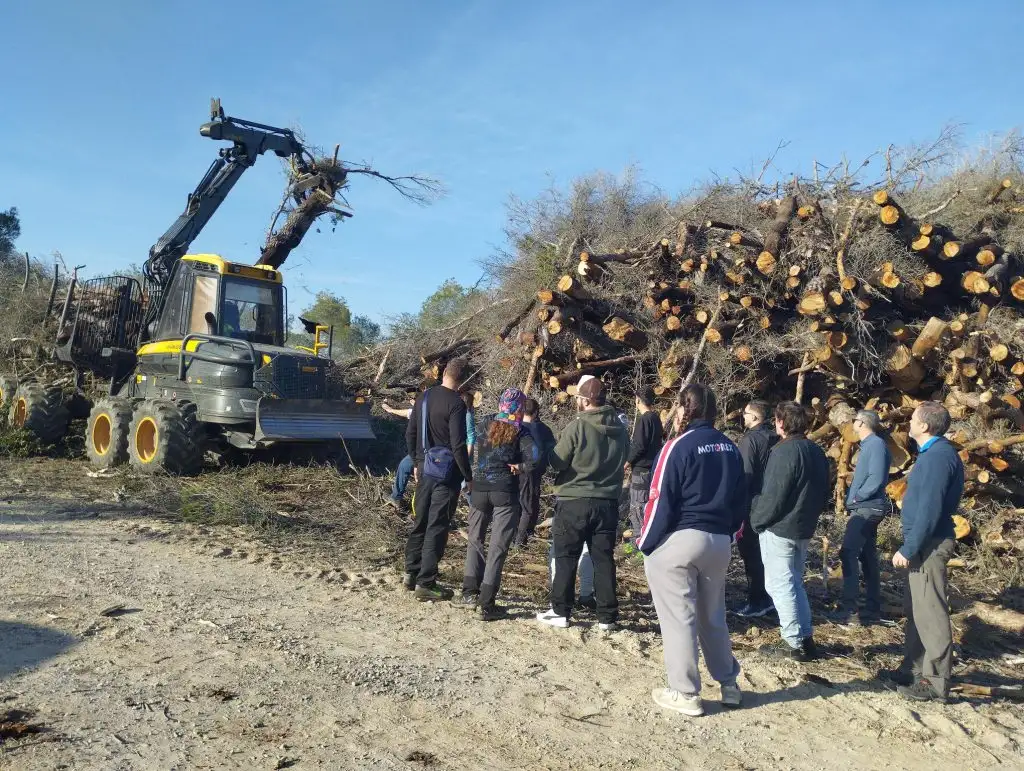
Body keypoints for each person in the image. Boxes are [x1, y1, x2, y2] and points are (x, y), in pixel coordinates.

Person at [638, 384, 746, 717]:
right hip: (719, 541)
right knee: (713, 616)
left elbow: (659, 498)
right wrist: (729, 535)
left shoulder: (676, 446)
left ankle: (685, 692)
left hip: (681, 539)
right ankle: (729, 684)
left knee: (678, 619)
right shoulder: (730, 447)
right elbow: (741, 500)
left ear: (686, 408)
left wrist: (645, 543)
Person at [886, 402, 964, 703]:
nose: (909, 423)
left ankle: (935, 682)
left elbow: (929, 511)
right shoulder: (933, 455)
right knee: (917, 610)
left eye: (913, 419)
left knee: (931, 614)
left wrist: (909, 547)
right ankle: (914, 668)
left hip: (928, 545)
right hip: (923, 544)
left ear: (925, 426)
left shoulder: (937, 459)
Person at [537, 375, 628, 630]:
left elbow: (558, 461)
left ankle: (560, 611)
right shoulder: (620, 429)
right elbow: (626, 457)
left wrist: (548, 450)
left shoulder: (577, 426)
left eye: (578, 397)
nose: (576, 401)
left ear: (586, 400)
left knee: (566, 556)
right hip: (608, 502)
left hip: (574, 499)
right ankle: (607, 616)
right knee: (603, 559)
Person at [750, 401, 829, 662]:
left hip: (781, 528)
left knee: (779, 584)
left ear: (781, 423)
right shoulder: (816, 451)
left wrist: (757, 520)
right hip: (803, 526)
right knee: (794, 582)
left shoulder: (784, 452)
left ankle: (793, 642)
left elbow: (774, 495)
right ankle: (805, 637)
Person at [459, 388, 538, 620]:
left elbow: (469, 441)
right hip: (505, 492)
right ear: (520, 408)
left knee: (475, 539)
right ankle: (486, 603)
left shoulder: (485, 423)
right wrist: (520, 467)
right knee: (497, 547)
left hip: (480, 489)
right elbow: (535, 458)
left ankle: (468, 593)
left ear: (501, 403)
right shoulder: (521, 431)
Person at [404, 358, 473, 602]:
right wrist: (468, 475)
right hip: (447, 475)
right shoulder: (456, 404)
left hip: (424, 469)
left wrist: (416, 462)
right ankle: (427, 583)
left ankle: (411, 574)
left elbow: (410, 432)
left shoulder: (423, 397)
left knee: (420, 520)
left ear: (444, 373)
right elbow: (458, 444)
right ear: (463, 379)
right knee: (437, 526)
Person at [830, 409, 893, 626]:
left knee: (848, 552)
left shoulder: (874, 445)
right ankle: (873, 608)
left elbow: (875, 479)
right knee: (867, 556)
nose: (852, 424)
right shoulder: (871, 445)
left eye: (854, 421)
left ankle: (850, 610)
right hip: (867, 507)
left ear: (862, 423)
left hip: (867, 508)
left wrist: (857, 498)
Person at [733, 399, 778, 618]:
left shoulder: (749, 440)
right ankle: (770, 597)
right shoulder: (776, 438)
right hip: (773, 503)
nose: (743, 416)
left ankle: (757, 599)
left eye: (746, 413)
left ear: (755, 417)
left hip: (752, 505)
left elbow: (745, 475)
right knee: (768, 555)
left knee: (751, 554)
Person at [625, 386, 664, 543]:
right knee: (648, 504)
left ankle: (639, 541)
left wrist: (626, 462)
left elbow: (639, 445)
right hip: (652, 469)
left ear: (638, 400)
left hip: (641, 470)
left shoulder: (645, 419)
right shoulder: (655, 418)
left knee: (638, 506)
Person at [515, 398, 556, 546]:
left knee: (518, 504)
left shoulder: (516, 427)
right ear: (537, 412)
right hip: (532, 471)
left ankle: (519, 536)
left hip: (514, 470)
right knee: (528, 506)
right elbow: (553, 451)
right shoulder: (543, 430)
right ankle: (519, 541)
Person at [383, 394, 416, 511]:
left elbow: (409, 413)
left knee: (405, 466)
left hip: (425, 450)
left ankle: (396, 497)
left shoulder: (425, 408)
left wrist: (390, 410)